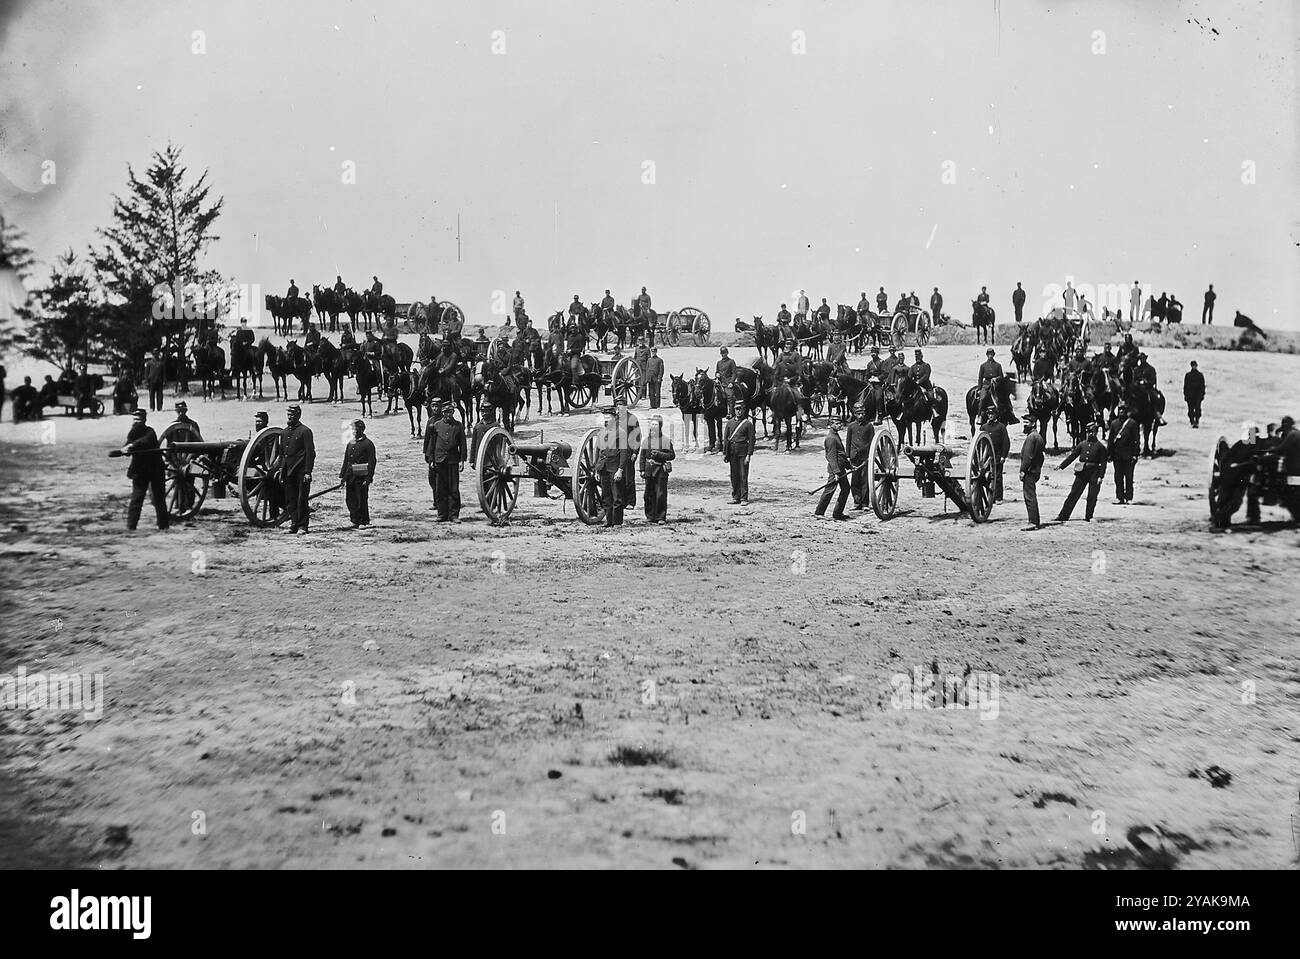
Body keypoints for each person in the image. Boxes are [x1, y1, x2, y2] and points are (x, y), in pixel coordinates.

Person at [120, 408, 169, 531]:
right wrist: (125, 449)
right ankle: (131, 527)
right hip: (140, 471)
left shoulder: (150, 432)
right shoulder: (132, 433)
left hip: (155, 470)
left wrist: (131, 446)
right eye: (135, 419)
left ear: (144, 420)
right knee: (136, 498)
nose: (137, 422)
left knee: (159, 499)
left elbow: (144, 442)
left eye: (139, 419)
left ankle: (163, 526)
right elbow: (127, 445)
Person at [1055, 424, 1108, 521]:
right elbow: (1073, 456)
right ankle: (1063, 516)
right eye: (1088, 432)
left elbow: (1103, 463)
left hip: (1094, 474)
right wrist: (1062, 465)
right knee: (1073, 494)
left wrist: (1101, 476)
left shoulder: (1100, 447)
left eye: (1092, 432)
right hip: (1082, 473)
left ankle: (1089, 516)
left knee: (1092, 496)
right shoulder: (1082, 444)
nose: (1090, 434)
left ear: (1096, 433)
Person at [424, 401, 466, 522]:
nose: (449, 415)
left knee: (453, 488)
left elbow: (462, 444)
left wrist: (462, 460)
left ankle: (454, 515)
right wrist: (431, 460)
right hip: (439, 460)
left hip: (453, 460)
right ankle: (442, 514)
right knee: (440, 488)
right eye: (446, 412)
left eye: (451, 412)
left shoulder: (458, 426)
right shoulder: (436, 425)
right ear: (442, 413)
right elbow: (431, 444)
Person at [277, 403, 315, 533]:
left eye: (292, 415)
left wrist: (307, 472)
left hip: (301, 471)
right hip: (288, 471)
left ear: (298, 416)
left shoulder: (305, 431)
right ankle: (293, 523)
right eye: (288, 415)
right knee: (290, 499)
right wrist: (281, 470)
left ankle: (302, 526)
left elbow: (310, 453)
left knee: (301, 499)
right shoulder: (284, 432)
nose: (289, 417)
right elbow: (282, 454)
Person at [595, 407, 629, 527]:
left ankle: (617, 522)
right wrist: (596, 469)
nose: (606, 420)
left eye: (608, 418)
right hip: (603, 468)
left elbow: (624, 453)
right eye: (604, 418)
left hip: (614, 468)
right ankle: (608, 521)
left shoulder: (621, 433)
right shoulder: (602, 433)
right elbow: (598, 451)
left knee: (617, 497)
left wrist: (620, 470)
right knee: (606, 496)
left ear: (615, 418)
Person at [638, 415, 675, 523]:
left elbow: (672, 455)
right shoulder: (646, 441)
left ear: (660, 426)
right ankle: (650, 516)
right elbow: (642, 456)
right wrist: (642, 470)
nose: (653, 426)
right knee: (648, 494)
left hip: (660, 471)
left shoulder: (665, 440)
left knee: (660, 494)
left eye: (656, 424)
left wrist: (659, 454)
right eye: (652, 424)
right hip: (649, 470)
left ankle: (660, 517)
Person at [340, 419, 376, 527]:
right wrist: (343, 476)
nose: (353, 431)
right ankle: (354, 519)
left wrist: (369, 477)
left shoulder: (368, 444)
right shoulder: (350, 443)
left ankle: (364, 521)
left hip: (361, 476)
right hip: (350, 476)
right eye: (352, 429)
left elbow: (372, 461)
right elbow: (346, 460)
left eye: (354, 429)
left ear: (361, 429)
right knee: (350, 499)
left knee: (361, 499)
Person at [815, 419, 851, 520]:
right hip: (835, 468)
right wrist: (836, 472)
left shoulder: (835, 435)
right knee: (830, 489)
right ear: (831, 425)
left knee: (846, 488)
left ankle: (837, 513)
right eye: (837, 424)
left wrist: (850, 466)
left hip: (840, 467)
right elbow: (831, 456)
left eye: (840, 423)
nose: (840, 425)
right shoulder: (831, 438)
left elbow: (841, 454)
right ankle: (819, 512)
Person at [723, 401, 755, 505]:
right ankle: (735, 497)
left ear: (743, 410)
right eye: (737, 409)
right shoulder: (730, 423)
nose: (738, 411)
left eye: (740, 409)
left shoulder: (748, 424)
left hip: (743, 452)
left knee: (743, 475)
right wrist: (725, 453)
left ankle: (744, 498)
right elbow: (726, 439)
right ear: (734, 410)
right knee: (734, 475)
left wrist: (749, 455)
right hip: (732, 452)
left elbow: (751, 440)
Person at [1270, 416, 1300, 523]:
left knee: (1286, 494)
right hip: (1296, 470)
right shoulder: (1296, 433)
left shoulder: (1292, 434)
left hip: (1294, 471)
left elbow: (1281, 449)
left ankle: (1298, 518)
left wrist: (1273, 449)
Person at [845, 406, 875, 509]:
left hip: (865, 457)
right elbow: (848, 442)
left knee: (864, 480)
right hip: (854, 457)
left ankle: (865, 503)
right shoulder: (851, 426)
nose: (861, 415)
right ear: (855, 414)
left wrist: (870, 457)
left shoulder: (869, 426)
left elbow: (872, 442)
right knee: (855, 480)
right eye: (858, 414)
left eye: (862, 413)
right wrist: (848, 456)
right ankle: (857, 502)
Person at [1109, 405, 1140, 504]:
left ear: (1127, 412)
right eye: (1120, 410)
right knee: (1118, 478)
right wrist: (1109, 454)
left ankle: (1129, 498)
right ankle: (1120, 498)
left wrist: (1135, 454)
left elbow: (1136, 440)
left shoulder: (1132, 423)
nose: (1121, 412)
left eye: (1123, 410)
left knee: (1129, 477)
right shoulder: (1114, 423)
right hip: (1117, 455)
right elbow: (1110, 440)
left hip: (1129, 456)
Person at [1019, 415, 1045, 529]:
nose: (1024, 424)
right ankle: (1035, 521)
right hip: (1035, 470)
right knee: (1031, 495)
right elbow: (1041, 457)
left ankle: (1033, 522)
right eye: (1024, 422)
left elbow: (1027, 457)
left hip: (1029, 471)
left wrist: (1023, 470)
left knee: (1029, 497)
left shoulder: (1031, 437)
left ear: (1033, 424)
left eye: (1027, 422)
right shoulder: (1039, 437)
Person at [773, 339, 808, 423]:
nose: (787, 346)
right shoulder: (781, 355)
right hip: (782, 381)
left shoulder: (796, 355)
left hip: (793, 380)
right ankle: (774, 412)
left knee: (798, 395)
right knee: (773, 395)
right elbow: (776, 364)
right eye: (786, 344)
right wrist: (772, 369)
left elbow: (799, 369)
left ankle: (801, 412)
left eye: (789, 344)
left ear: (793, 346)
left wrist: (792, 379)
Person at [1183, 361, 1205, 427]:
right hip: (1190, 395)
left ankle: (1197, 421)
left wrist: (1202, 394)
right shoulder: (1188, 375)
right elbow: (1185, 386)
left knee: (1198, 409)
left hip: (1198, 395)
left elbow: (1202, 386)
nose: (1194, 367)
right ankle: (1192, 421)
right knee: (1190, 409)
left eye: (1195, 366)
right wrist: (1185, 394)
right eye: (1193, 366)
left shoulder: (1200, 375)